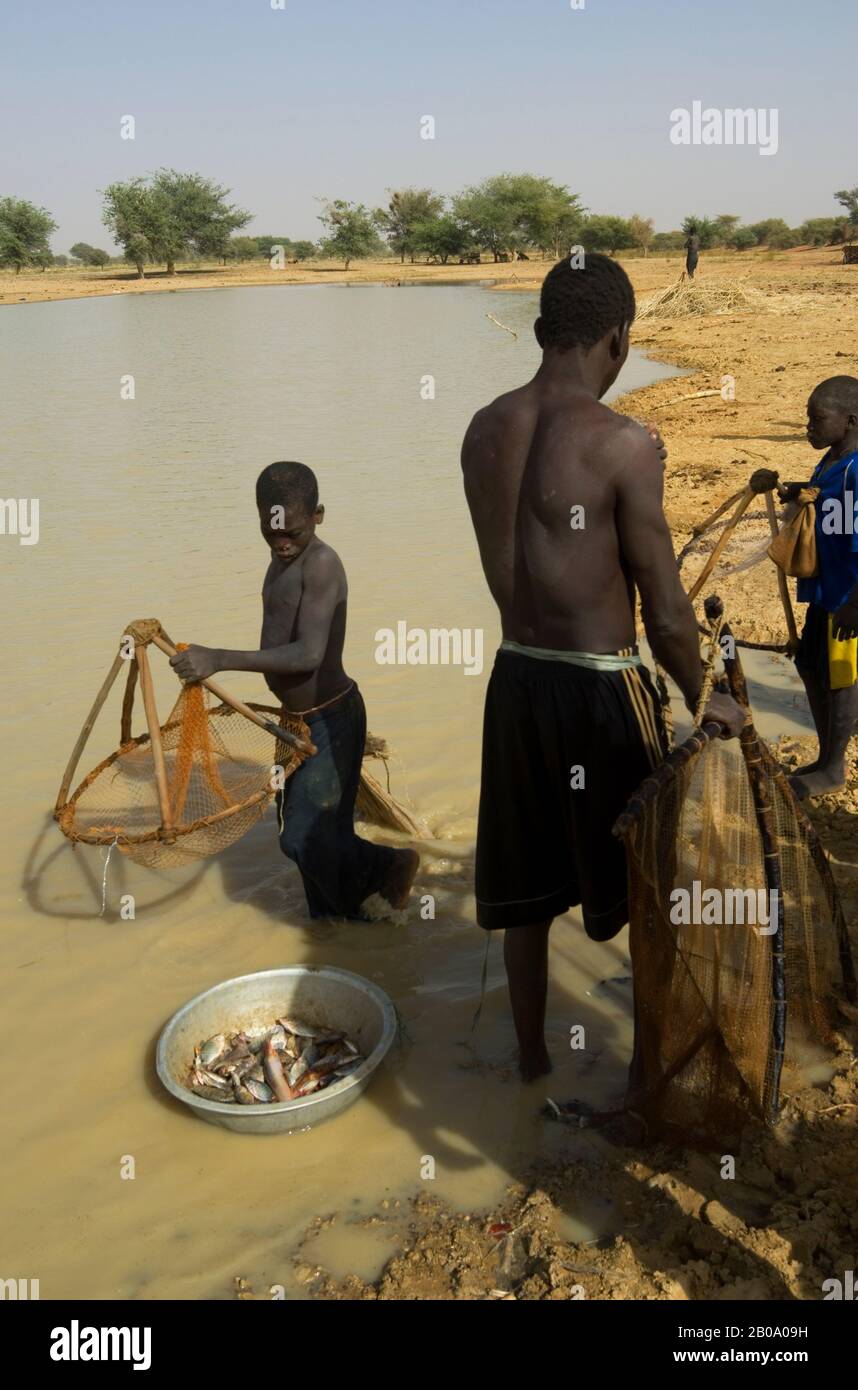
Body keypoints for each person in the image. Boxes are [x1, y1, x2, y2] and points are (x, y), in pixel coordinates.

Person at [461, 253, 745, 1081]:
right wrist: (704, 700)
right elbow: (664, 608)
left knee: (526, 900)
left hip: (515, 680)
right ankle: (650, 1073)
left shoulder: (482, 427)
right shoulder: (625, 443)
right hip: (600, 689)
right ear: (619, 338)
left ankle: (531, 1063)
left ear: (543, 330)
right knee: (645, 884)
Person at [170, 460, 419, 918]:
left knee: (303, 837)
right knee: (306, 841)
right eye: (272, 532)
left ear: (318, 516)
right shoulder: (281, 555)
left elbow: (308, 654)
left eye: (294, 533)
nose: (282, 544)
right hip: (296, 724)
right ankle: (330, 929)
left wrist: (219, 658)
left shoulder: (322, 564)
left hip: (331, 719)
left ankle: (390, 865)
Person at [779, 376, 858, 799]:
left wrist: (855, 605)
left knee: (843, 678)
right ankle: (826, 754)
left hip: (848, 597)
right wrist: (792, 490)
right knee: (810, 666)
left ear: (850, 421)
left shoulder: (856, 472)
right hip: (824, 593)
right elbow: (822, 497)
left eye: (816, 418)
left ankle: (833, 768)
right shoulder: (830, 463)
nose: (808, 425)